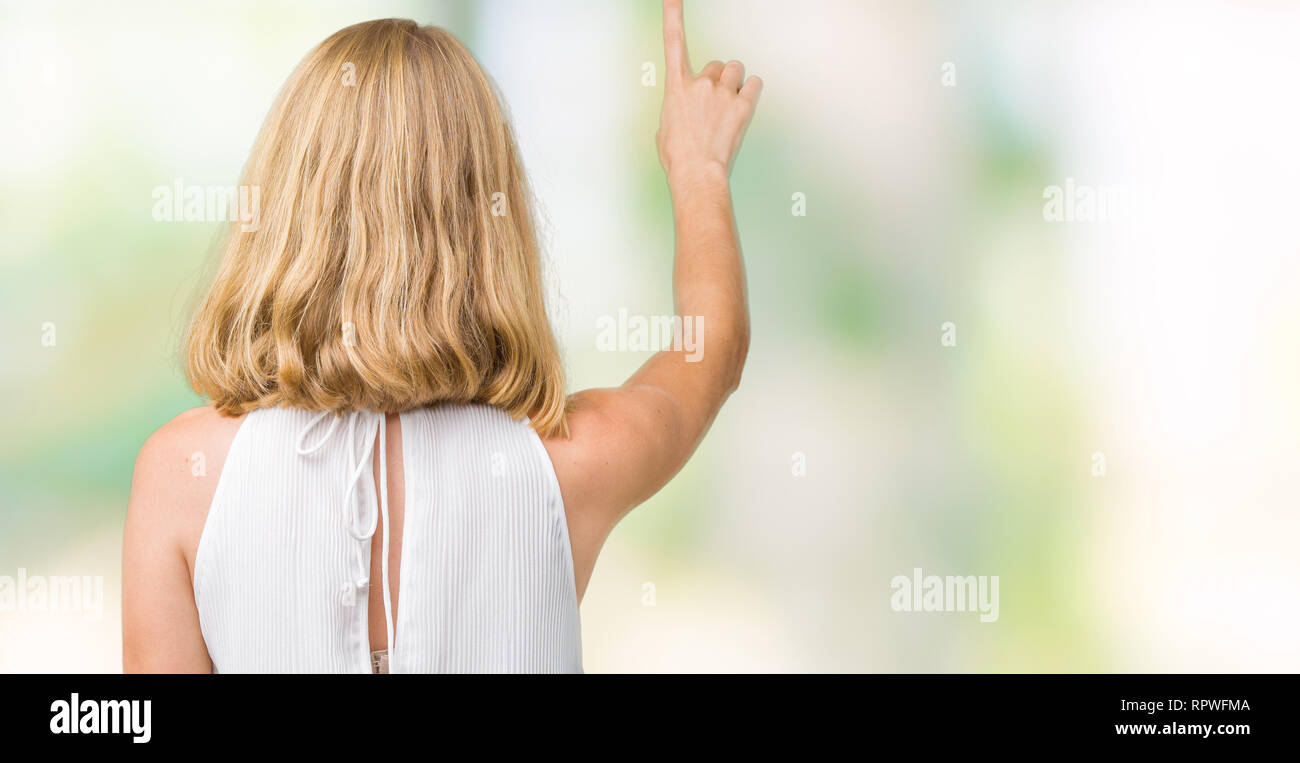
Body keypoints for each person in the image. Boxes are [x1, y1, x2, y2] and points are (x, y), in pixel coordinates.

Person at [123, 0, 761, 673]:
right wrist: (697, 167)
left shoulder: (182, 477)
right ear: (489, 218)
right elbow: (711, 349)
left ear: (286, 206)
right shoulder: (569, 463)